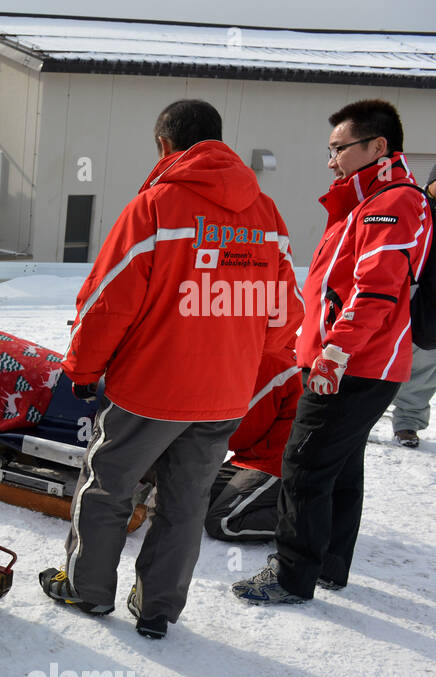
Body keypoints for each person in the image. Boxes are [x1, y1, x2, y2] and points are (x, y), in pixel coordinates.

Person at [39, 99, 301, 638]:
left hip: (150, 391)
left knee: (107, 488)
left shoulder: (157, 207)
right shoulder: (266, 215)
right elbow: (284, 319)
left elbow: (107, 301)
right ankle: (157, 609)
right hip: (225, 395)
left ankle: (87, 591)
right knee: (184, 502)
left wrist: (83, 369)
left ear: (164, 144)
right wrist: (235, 349)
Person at [233, 100, 433, 604]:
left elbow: (376, 291)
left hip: (354, 364)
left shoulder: (394, 201)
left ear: (378, 147)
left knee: (303, 466)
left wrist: (334, 355)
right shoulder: (366, 200)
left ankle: (291, 575)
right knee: (340, 467)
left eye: (339, 149)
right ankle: (326, 566)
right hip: (355, 361)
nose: (331, 160)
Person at [204, 345, 301, 542]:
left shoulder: (270, 360)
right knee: (197, 496)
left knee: (222, 522)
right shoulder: (274, 347)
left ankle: (307, 519)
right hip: (253, 457)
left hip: (276, 464)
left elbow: (240, 432)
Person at [390, 163, 436, 448]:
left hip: (433, 306)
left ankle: (407, 423)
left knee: (424, 369)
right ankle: (354, 420)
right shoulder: (415, 207)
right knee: (380, 363)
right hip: (406, 295)